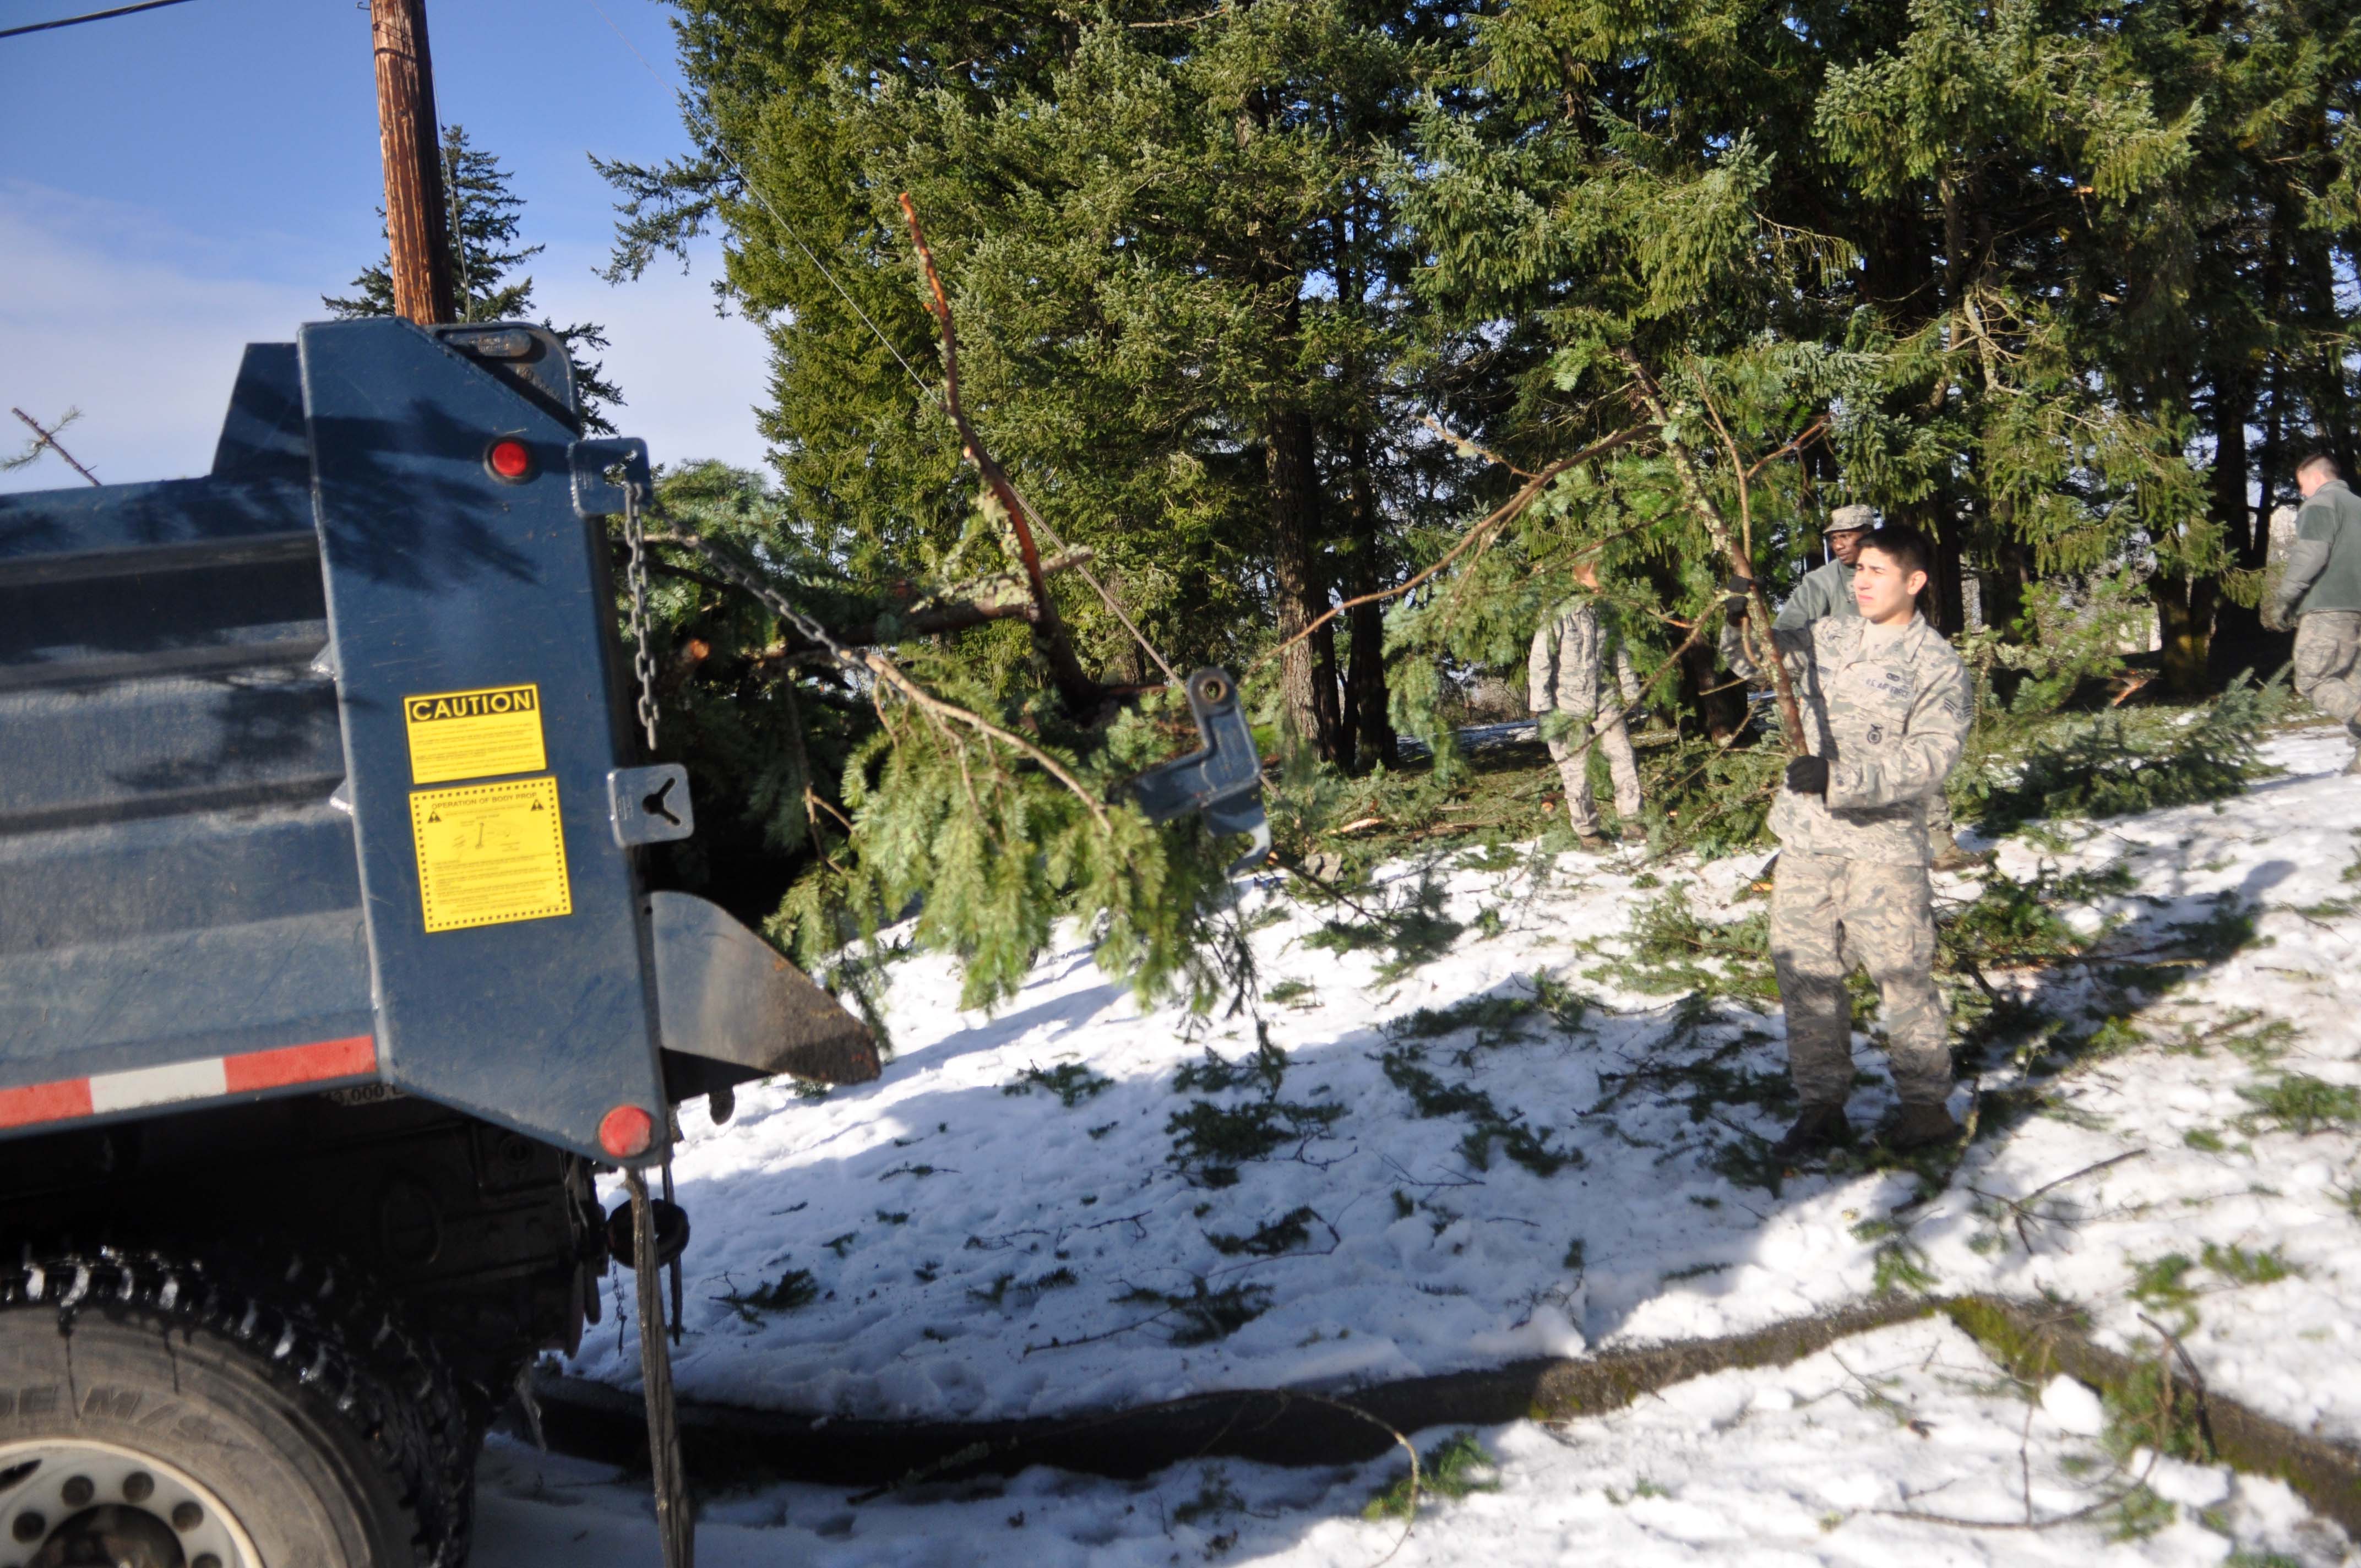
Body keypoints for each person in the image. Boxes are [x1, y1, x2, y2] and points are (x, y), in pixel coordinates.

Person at [1722, 525, 1973, 1157]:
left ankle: (1925, 1111)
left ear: (1914, 582)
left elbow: (1930, 760)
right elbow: (1753, 660)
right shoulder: (1831, 635)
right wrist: (1737, 610)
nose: (1859, 581)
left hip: (1883, 849)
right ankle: (1820, 1107)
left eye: (1876, 572)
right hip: (1808, 842)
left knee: (1902, 975)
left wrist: (1843, 780)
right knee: (1804, 972)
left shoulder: (1935, 665)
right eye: (1857, 569)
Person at [1776, 504, 1979, 872]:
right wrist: (1742, 624)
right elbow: (1780, 644)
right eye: (1834, 538)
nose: (1840, 545)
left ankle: (1942, 843)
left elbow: (1928, 759)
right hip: (1832, 706)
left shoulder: (1933, 655)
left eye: (1848, 536)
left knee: (1907, 767)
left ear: (1868, 534)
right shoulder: (1819, 584)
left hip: (1888, 701)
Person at [1529, 557, 1645, 851]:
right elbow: (1540, 661)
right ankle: (1588, 834)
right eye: (1597, 576)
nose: (1603, 582)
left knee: (1623, 755)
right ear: (1581, 578)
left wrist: (1632, 696)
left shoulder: (1606, 613)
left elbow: (1620, 656)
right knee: (1576, 771)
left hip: (1604, 698)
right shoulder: (1558, 613)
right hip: (1565, 706)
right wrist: (1542, 709)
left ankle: (1632, 822)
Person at [2262, 453, 2361, 774]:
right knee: (2352, 681)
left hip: (2330, 607)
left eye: (2302, 485)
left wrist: (2284, 600)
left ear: (2317, 478)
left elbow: (2310, 555)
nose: (2302, 493)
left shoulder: (2321, 504)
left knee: (2313, 679)